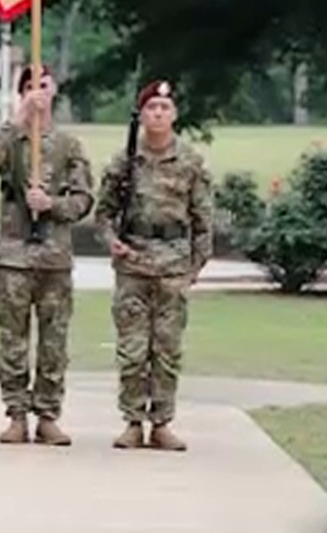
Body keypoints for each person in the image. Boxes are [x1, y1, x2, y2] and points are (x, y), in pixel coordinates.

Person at [92, 80, 215, 451]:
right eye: (151, 108)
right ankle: (132, 420)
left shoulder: (190, 162)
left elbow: (203, 217)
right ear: (142, 115)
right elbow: (104, 212)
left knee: (167, 350)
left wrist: (196, 265)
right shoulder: (124, 161)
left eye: (165, 107)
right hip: (133, 263)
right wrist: (110, 241)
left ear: (174, 114)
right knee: (132, 350)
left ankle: (161, 422)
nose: (158, 113)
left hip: (173, 263)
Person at [0, 63, 94, 446]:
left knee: (53, 341)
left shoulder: (68, 146)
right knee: (13, 340)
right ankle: (15, 413)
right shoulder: (10, 139)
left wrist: (52, 204)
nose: (37, 93)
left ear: (55, 89)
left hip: (54, 256)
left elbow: (83, 200)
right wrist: (20, 116)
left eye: (43, 86)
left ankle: (47, 414)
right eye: (29, 87)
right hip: (14, 253)